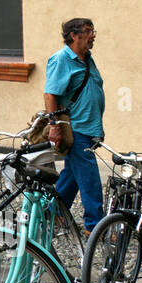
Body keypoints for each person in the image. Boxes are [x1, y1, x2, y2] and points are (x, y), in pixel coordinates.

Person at [43, 18, 106, 232]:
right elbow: (50, 94)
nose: (93, 35)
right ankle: (95, 226)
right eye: (88, 31)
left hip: (89, 127)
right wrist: (54, 126)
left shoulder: (87, 59)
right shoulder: (61, 59)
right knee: (90, 179)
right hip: (76, 128)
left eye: (93, 31)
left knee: (72, 175)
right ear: (73, 35)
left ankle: (54, 213)